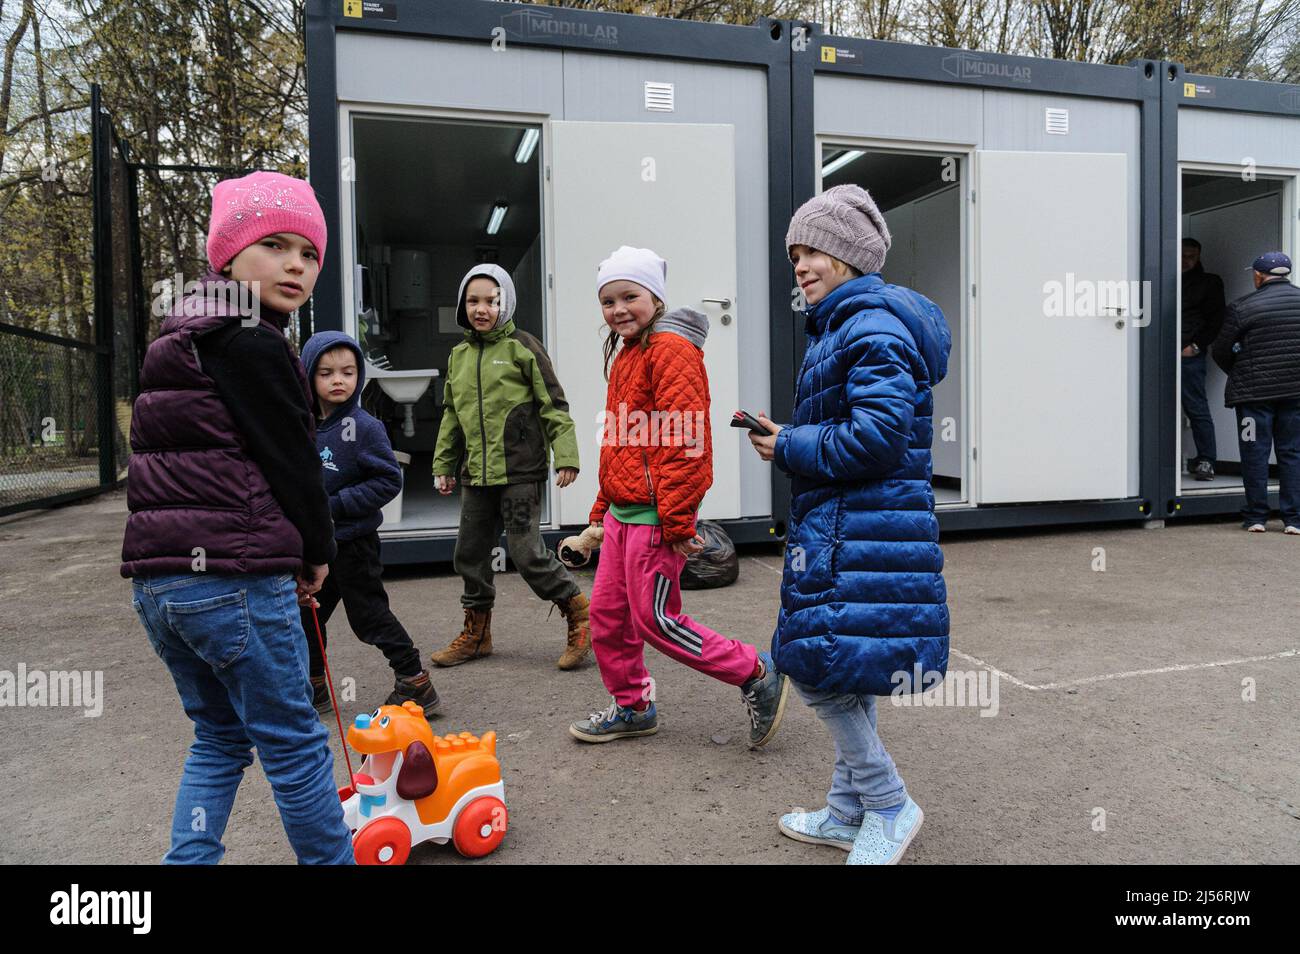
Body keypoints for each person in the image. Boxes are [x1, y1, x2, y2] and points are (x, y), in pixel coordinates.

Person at [122, 171, 354, 864]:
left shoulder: (179, 337)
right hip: (233, 581)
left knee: (221, 736)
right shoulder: (251, 341)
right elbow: (293, 463)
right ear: (225, 256)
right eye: (274, 246)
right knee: (295, 743)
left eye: (309, 253)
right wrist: (317, 550)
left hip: (159, 585)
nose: (295, 265)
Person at [748, 185, 951, 865]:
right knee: (844, 666)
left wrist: (791, 446)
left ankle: (890, 805)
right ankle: (844, 814)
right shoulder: (847, 325)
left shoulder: (870, 327)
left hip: (862, 530)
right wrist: (794, 435)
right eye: (796, 254)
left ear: (852, 257)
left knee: (817, 671)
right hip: (853, 528)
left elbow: (878, 438)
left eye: (815, 252)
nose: (802, 266)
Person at [568, 245, 789, 746]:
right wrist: (601, 512)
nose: (619, 309)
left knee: (656, 621)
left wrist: (678, 524)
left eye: (630, 296)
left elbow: (687, 442)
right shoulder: (630, 352)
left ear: (655, 297)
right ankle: (633, 707)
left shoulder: (669, 351)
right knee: (607, 616)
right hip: (624, 516)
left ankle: (754, 671)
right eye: (608, 301)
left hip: (654, 518)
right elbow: (621, 440)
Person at [430, 264, 592, 669]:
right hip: (475, 474)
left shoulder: (523, 347)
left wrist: (566, 454)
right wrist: (444, 464)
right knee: (469, 552)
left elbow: (554, 404)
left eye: (491, 300)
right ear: (462, 306)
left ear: (506, 302)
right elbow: (451, 414)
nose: (481, 308)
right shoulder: (459, 356)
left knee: (525, 552)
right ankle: (476, 633)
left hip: (519, 470)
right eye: (473, 301)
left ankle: (578, 612)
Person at [298, 331, 441, 716]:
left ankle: (415, 682)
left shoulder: (365, 427)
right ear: (309, 377)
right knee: (306, 614)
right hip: (316, 547)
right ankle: (313, 686)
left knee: (370, 619)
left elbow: (387, 480)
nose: (338, 380)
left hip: (354, 545)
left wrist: (335, 506)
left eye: (347, 371)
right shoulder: (302, 427)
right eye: (326, 373)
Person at [1211, 251, 1300, 533]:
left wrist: (1239, 372)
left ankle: (1256, 517)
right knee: (1292, 453)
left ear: (1259, 276)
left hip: (1253, 397)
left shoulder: (1242, 307)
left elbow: (1221, 350)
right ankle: (1294, 520)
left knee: (1254, 453)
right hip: (1295, 394)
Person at [1181, 238, 1226, 480]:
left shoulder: (1209, 283)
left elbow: (1216, 320)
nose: (1186, 260)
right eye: (1182, 255)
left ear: (1199, 257)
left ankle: (1207, 460)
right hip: (1157, 352)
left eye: (1191, 256)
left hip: (1188, 354)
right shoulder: (1159, 278)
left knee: (1196, 408)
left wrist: (1196, 346)